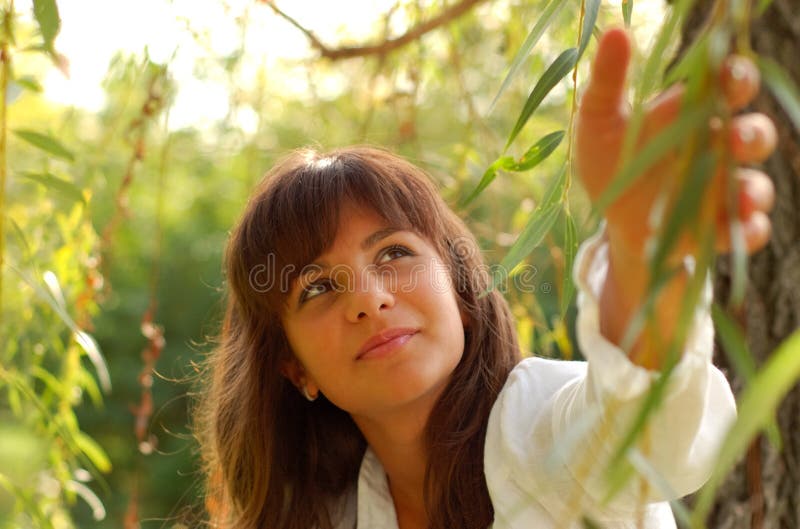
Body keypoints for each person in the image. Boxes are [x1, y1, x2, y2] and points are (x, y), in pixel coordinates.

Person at [194, 29, 777, 529]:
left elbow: (645, 434)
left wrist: (640, 246)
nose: (369, 299)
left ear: (462, 292)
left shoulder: (539, 426)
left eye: (393, 253)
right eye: (317, 287)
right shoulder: (328, 511)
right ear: (295, 368)